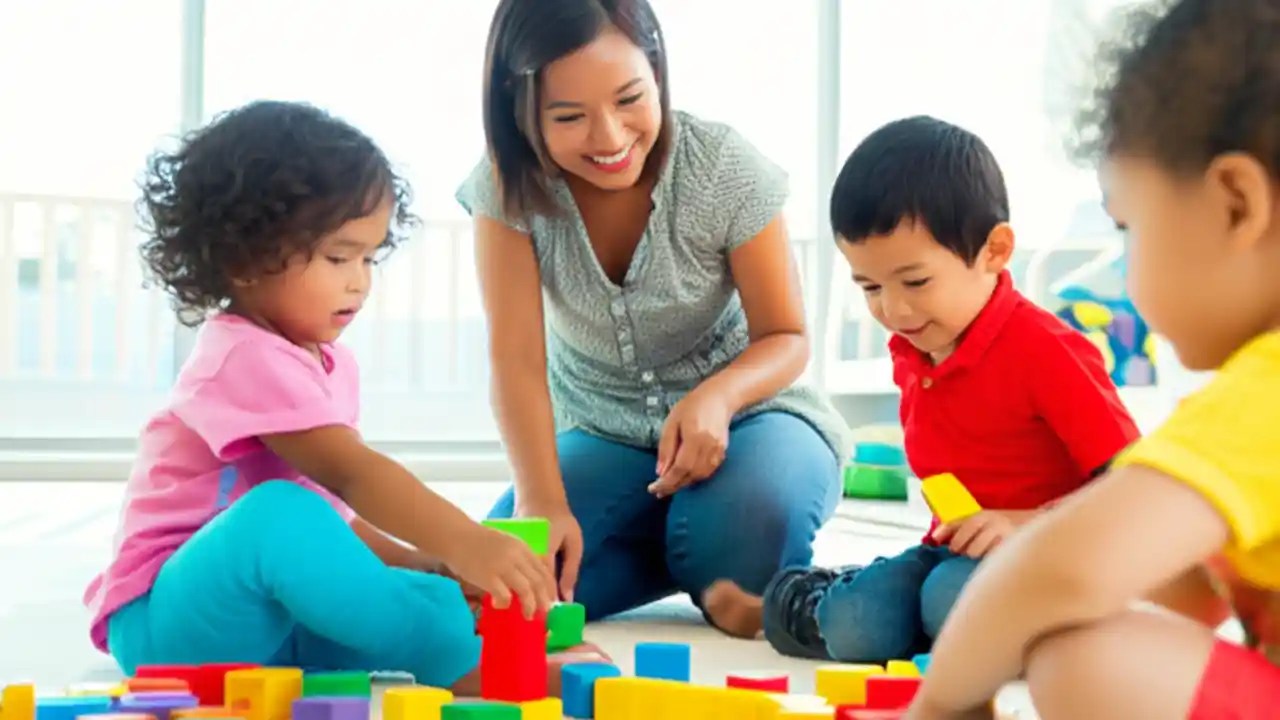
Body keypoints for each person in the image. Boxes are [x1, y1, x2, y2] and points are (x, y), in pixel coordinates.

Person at [83, 100, 595, 694]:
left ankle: (460, 636)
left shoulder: (324, 363)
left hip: (266, 627)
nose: (360, 279)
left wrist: (438, 565)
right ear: (244, 261)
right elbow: (352, 476)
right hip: (167, 623)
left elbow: (337, 519)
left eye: (369, 257)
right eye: (338, 257)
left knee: (424, 590)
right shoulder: (239, 355)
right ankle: (462, 661)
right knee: (278, 514)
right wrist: (464, 539)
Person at [905, 1, 1280, 718]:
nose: (1127, 269)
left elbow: (1065, 568)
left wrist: (936, 705)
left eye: (1128, 228)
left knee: (1087, 658)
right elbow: (1190, 584)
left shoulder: (1268, 392)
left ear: (1234, 206)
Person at [456, 0, 851, 631]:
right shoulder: (505, 190)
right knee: (501, 594)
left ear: (658, 73)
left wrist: (718, 399)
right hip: (600, 432)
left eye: (630, 99)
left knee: (747, 543)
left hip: (755, 418)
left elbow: (787, 337)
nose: (609, 138)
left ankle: (705, 537)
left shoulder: (721, 167)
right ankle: (681, 549)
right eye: (569, 116)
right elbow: (516, 360)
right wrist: (540, 499)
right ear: (519, 107)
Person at [704, 116, 1141, 663]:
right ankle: (796, 603)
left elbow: (1132, 484)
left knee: (946, 601)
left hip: (1051, 558)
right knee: (863, 623)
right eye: (870, 287)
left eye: (915, 282)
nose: (893, 309)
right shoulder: (915, 349)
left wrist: (1023, 524)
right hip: (952, 553)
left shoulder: (1048, 351)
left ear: (995, 251)